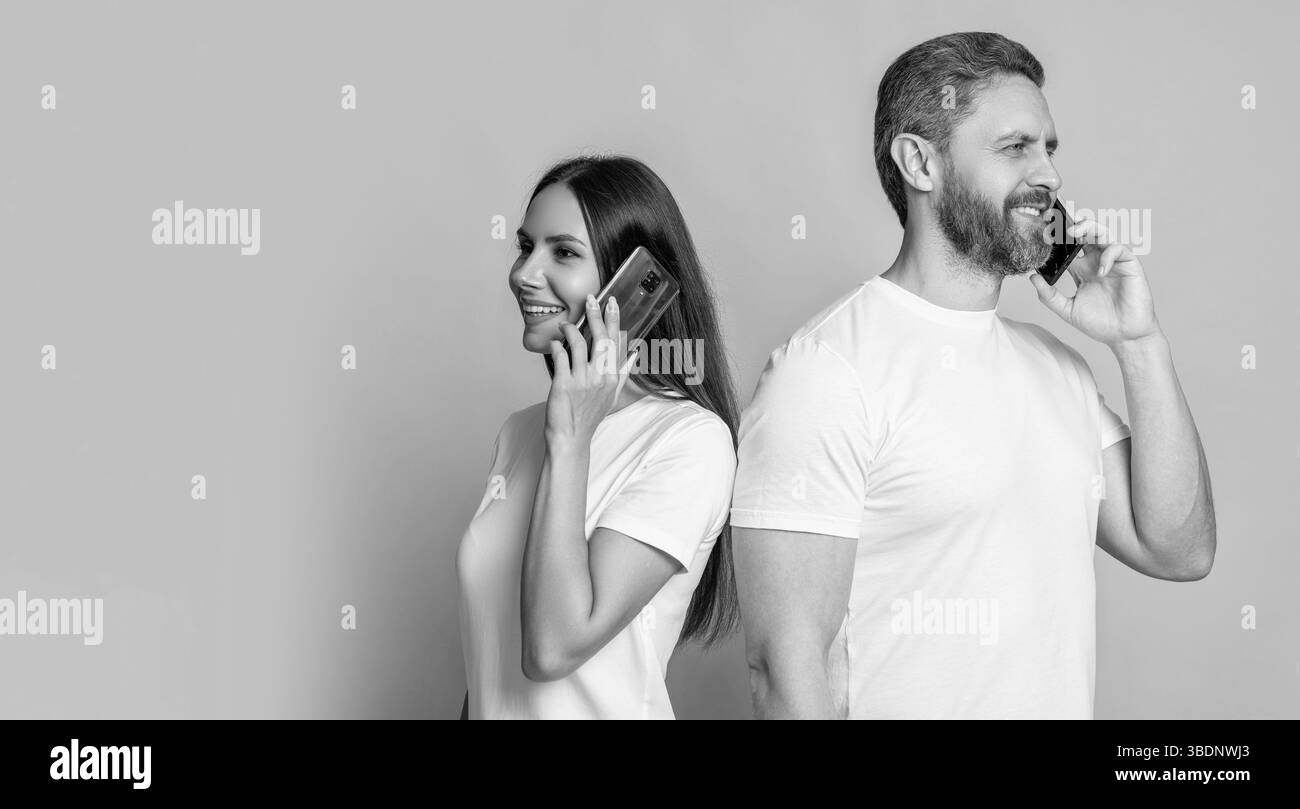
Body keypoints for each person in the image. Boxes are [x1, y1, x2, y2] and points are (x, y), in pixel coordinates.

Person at [730, 32, 1216, 719]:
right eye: (1016, 147)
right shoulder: (824, 373)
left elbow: (1180, 549)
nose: (1048, 175)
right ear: (919, 161)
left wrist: (1140, 342)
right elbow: (785, 671)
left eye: (1050, 149)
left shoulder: (1061, 372)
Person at [457, 155, 741, 719]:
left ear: (634, 282)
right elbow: (490, 664)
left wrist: (571, 440)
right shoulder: (518, 433)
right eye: (525, 246)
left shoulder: (689, 442)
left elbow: (552, 647)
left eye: (562, 252)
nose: (523, 274)